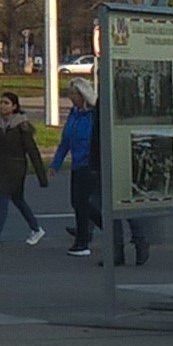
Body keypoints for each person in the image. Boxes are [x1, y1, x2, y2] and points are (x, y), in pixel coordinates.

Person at [0, 91, 48, 247]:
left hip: (17, 166)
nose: (2, 106)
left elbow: (32, 150)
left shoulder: (21, 125)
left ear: (14, 106)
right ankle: (36, 228)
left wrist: (41, 176)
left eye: (6, 103)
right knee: (18, 199)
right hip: (1, 166)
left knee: (3, 197)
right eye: (1, 102)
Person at [51, 79, 102, 256]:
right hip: (77, 164)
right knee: (77, 202)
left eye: (73, 93)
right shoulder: (74, 114)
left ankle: (83, 241)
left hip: (91, 165)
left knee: (85, 203)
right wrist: (55, 164)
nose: (70, 97)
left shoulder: (94, 115)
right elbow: (65, 141)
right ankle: (87, 235)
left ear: (82, 95)